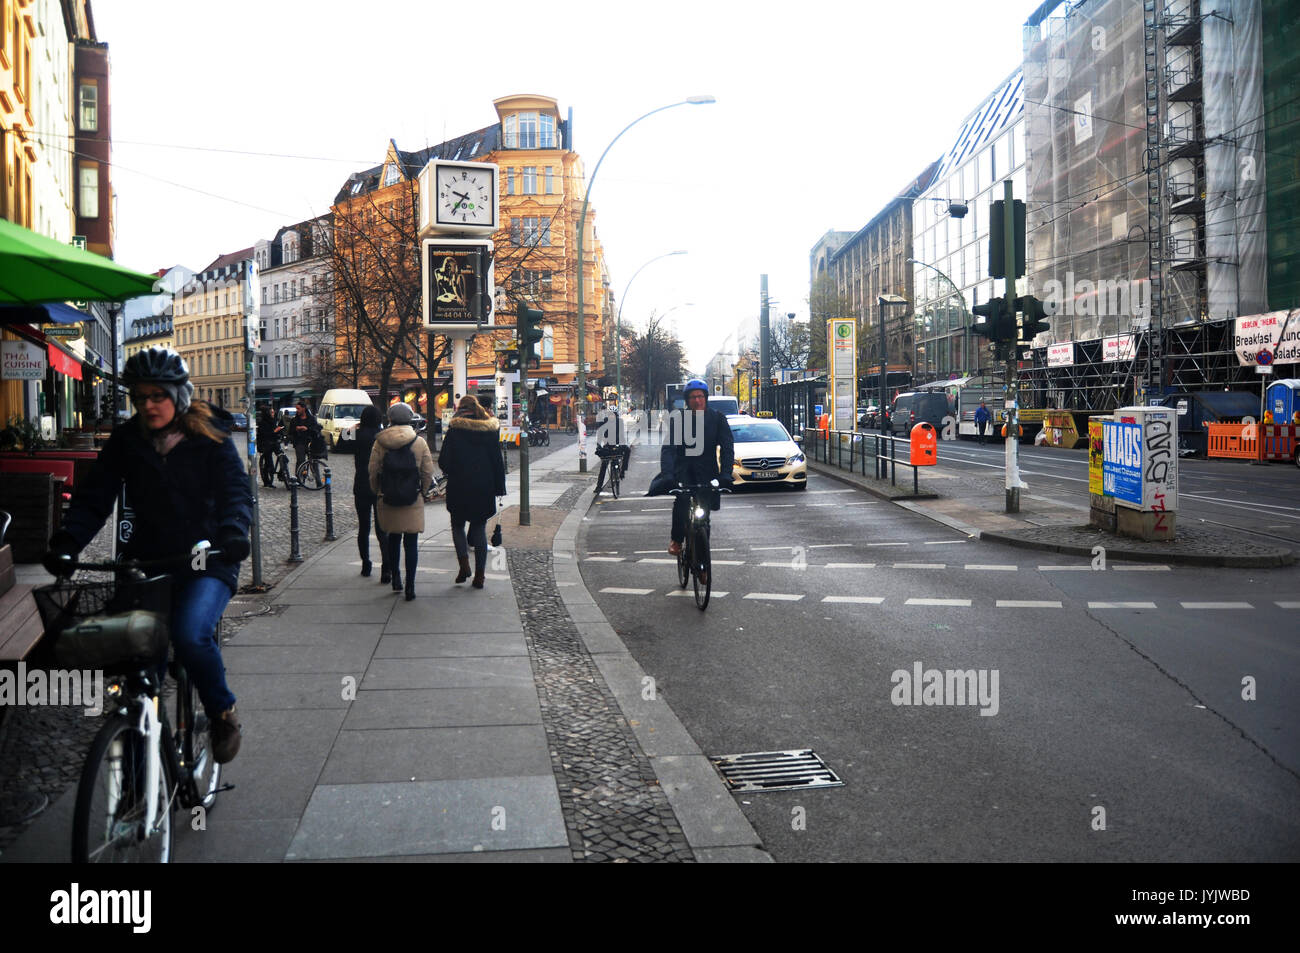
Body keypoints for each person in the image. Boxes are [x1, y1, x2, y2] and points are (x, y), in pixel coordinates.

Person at [43, 347, 250, 763]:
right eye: (140, 397)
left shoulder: (209, 436)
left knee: (191, 635)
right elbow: (94, 498)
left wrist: (233, 531)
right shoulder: (128, 440)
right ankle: (139, 786)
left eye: (158, 395)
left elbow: (235, 491)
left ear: (179, 394)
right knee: (140, 662)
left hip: (206, 558)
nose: (148, 405)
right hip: (151, 561)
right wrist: (67, 542)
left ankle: (222, 712)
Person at [657, 379, 734, 565]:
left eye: (700, 396)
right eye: (692, 397)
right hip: (683, 471)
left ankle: (702, 562)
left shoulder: (717, 418)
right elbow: (669, 449)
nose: (697, 400)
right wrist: (668, 475)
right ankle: (677, 540)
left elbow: (727, 448)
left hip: (708, 473)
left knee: (704, 518)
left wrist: (725, 474)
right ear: (687, 400)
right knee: (682, 502)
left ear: (706, 398)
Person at [438, 395, 506, 589]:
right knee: (479, 529)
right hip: (483, 485)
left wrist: (453, 469)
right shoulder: (490, 430)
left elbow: (444, 460)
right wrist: (499, 487)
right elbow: (497, 461)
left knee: (457, 525)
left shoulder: (455, 430)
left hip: (459, 484)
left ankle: (464, 566)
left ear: (461, 409)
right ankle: (480, 576)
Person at [369, 402, 434, 600]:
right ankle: (410, 586)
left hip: (388, 497)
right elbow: (427, 472)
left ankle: (396, 577)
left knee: (394, 539)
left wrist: (378, 491)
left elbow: (373, 471)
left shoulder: (380, 442)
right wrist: (422, 491)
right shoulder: (419, 442)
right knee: (412, 542)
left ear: (390, 419)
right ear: (409, 419)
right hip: (412, 497)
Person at [353, 405, 389, 582]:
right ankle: (386, 567)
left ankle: (366, 563)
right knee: (382, 528)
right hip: (380, 485)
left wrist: (355, 427)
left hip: (361, 484)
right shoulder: (382, 437)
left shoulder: (357, 435)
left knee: (364, 527)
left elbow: (341, 441)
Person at [594, 406, 631, 494]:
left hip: (618, 442)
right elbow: (599, 433)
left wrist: (619, 443)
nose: (611, 416)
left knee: (628, 450)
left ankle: (622, 471)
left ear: (616, 415)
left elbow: (621, 434)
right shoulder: (604, 421)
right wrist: (598, 445)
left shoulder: (620, 422)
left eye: (613, 415)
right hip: (608, 444)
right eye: (610, 415)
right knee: (604, 465)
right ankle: (598, 486)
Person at [256, 404, 281, 487]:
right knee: (268, 463)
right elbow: (265, 434)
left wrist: (279, 432)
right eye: (271, 412)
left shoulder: (273, 420)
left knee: (283, 457)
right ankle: (267, 481)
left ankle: (283, 473)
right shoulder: (262, 423)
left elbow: (275, 432)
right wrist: (274, 432)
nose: (273, 414)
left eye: (273, 412)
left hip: (274, 442)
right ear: (268, 413)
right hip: (266, 444)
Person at [290, 399, 319, 469]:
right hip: (299, 442)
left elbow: (316, 430)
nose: (297, 410)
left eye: (298, 408)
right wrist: (296, 429)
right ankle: (300, 477)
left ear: (303, 408)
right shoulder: (294, 420)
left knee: (314, 462)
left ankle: (317, 478)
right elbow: (290, 431)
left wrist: (307, 429)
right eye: (296, 409)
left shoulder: (312, 419)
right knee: (300, 461)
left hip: (310, 442)